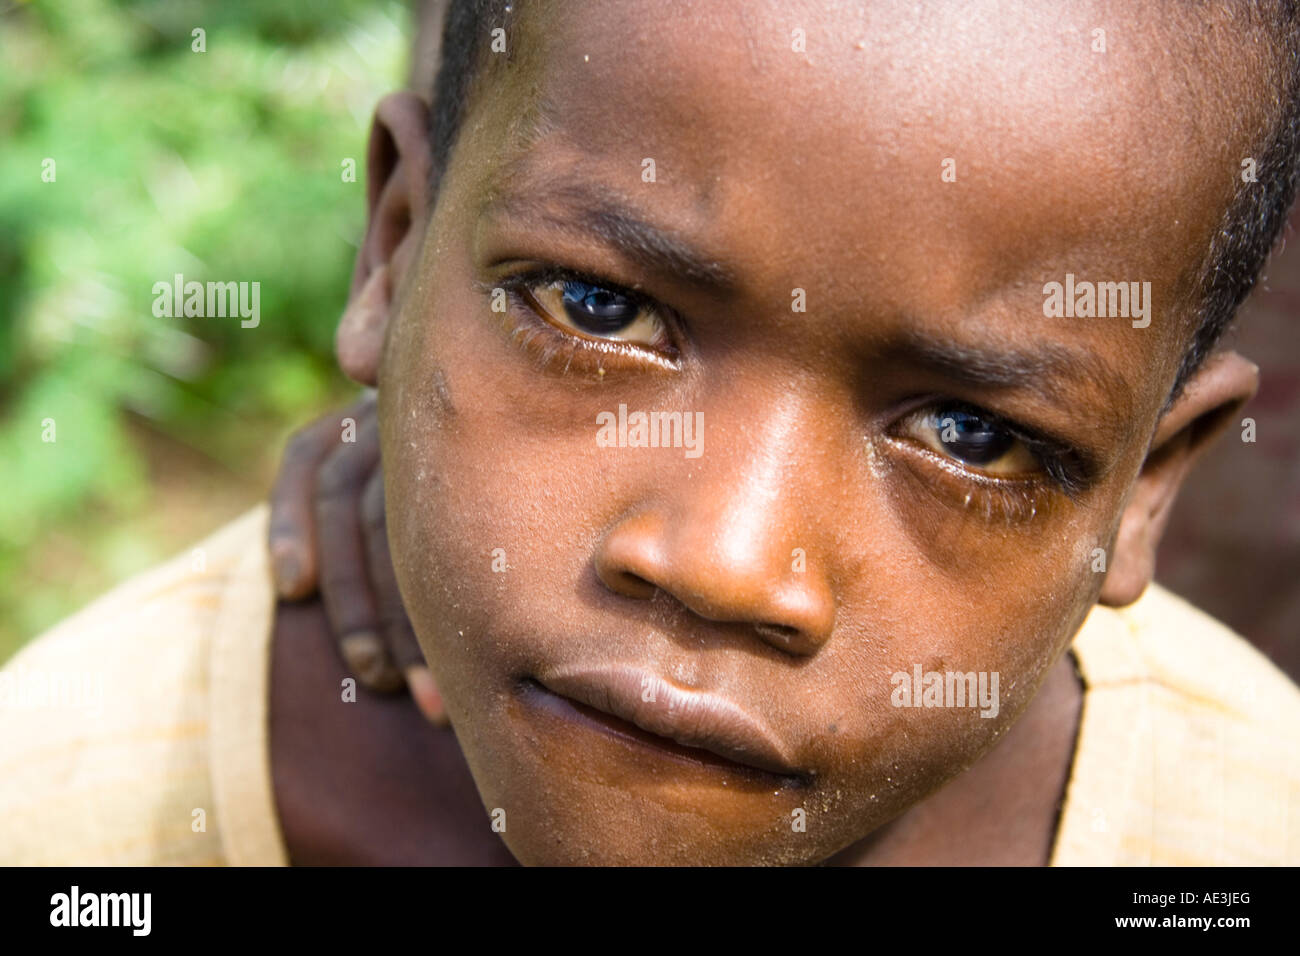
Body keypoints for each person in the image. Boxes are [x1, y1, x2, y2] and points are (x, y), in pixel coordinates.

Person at [3, 0, 1300, 865]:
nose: (729, 565)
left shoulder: (1244, 828)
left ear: (1146, 490)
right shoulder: (65, 804)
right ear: (393, 254)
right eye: (597, 308)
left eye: (971, 435)